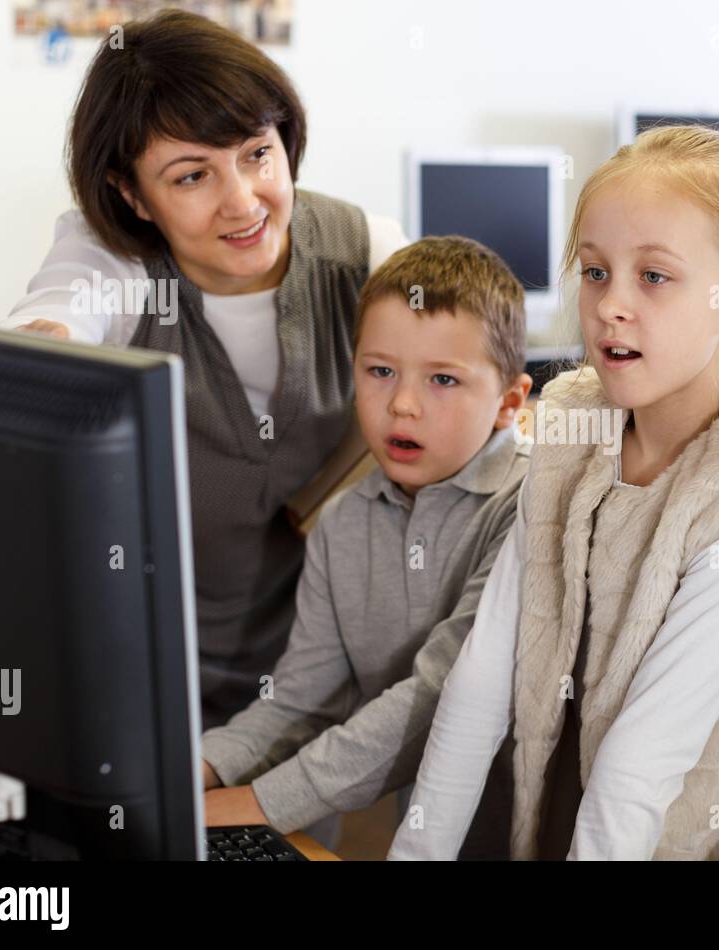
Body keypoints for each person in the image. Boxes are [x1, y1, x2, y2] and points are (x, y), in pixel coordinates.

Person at [389, 125, 719, 861]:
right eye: (595, 272)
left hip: (698, 835)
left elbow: (643, 760)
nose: (609, 306)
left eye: (653, 277)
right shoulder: (571, 422)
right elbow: (484, 670)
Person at [0, 10, 408, 726]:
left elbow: (463, 368)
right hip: (130, 659)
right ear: (133, 195)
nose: (243, 201)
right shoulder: (117, 260)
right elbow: (58, 314)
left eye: (257, 153)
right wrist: (42, 350)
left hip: (303, 672)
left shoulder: (364, 248)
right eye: (192, 176)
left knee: (281, 840)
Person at [199, 237, 532, 858]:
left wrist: (260, 802)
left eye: (443, 380)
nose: (402, 404)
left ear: (510, 403)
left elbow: (441, 694)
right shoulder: (342, 523)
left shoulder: (529, 507)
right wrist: (202, 770)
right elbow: (301, 700)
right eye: (380, 371)